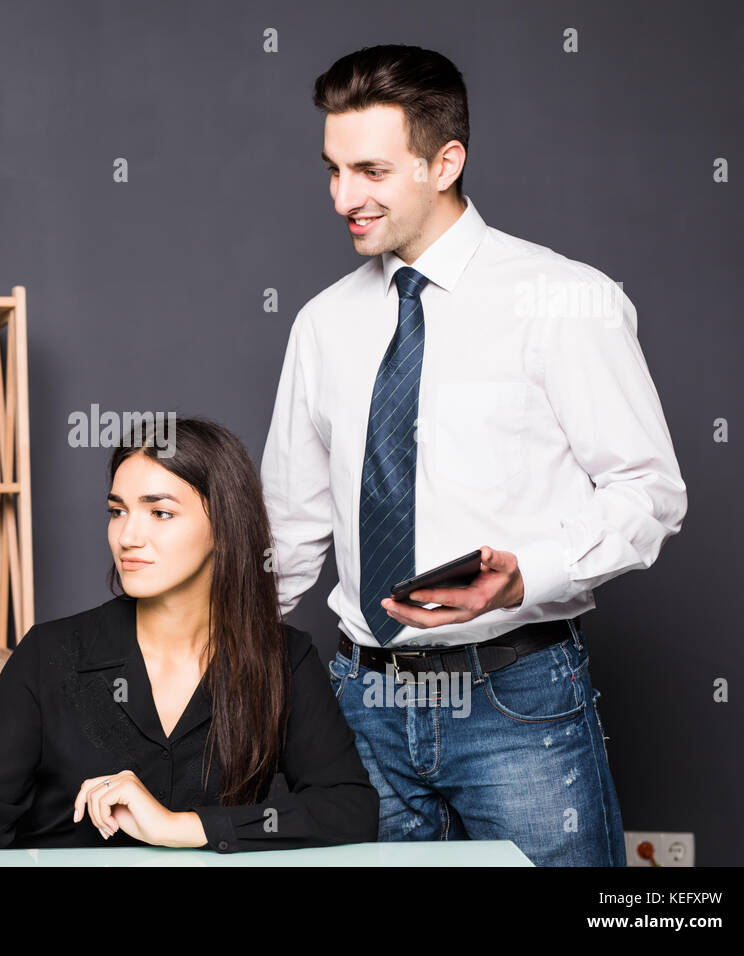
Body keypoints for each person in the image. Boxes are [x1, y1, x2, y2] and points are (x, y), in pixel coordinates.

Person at [261, 45, 687, 866]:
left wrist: (528, 574)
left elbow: (648, 492)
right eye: (333, 169)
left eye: (372, 171)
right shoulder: (321, 324)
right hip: (362, 702)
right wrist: (207, 654)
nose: (344, 197)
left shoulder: (567, 300)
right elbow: (292, 526)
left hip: (515, 696)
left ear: (445, 161)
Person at [0, 416, 378, 852]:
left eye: (159, 512)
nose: (128, 536)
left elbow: (349, 811)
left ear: (225, 528)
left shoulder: (286, 659)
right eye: (118, 511)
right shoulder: (48, 656)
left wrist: (181, 826)